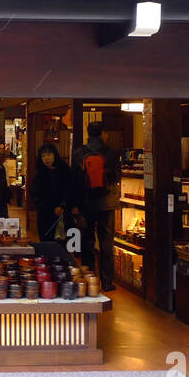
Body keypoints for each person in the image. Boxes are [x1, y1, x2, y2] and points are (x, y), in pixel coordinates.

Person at [71, 121, 122, 292]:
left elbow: (76, 181)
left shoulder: (78, 153)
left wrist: (76, 204)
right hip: (106, 205)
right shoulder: (111, 153)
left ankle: (89, 278)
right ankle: (107, 282)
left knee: (87, 241)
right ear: (102, 133)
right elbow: (116, 178)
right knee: (107, 243)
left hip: (86, 204)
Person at [30, 143, 77, 243]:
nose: (46, 158)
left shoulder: (65, 170)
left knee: (64, 244)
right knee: (47, 243)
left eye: (49, 155)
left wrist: (63, 206)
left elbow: (70, 190)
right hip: (45, 216)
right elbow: (35, 195)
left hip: (64, 214)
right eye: (43, 156)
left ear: (55, 155)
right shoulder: (40, 174)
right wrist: (49, 208)